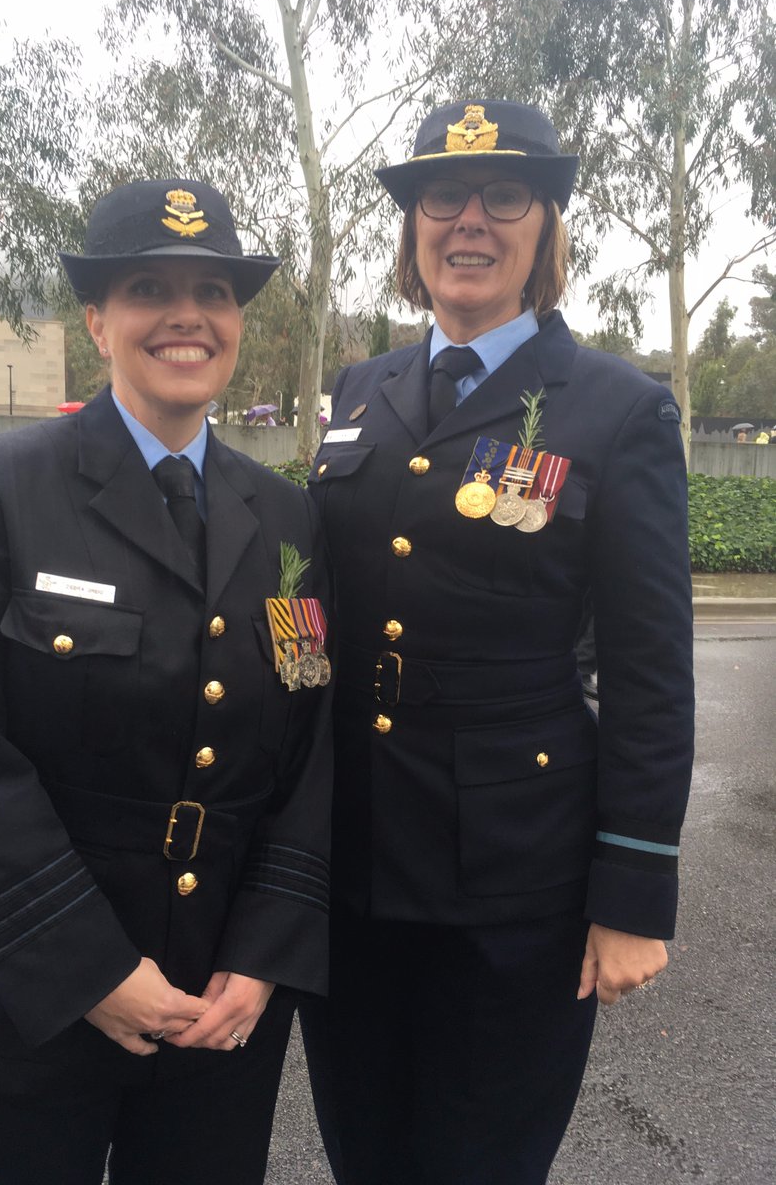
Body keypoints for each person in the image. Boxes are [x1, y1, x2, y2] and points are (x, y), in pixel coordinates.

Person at [0, 177, 333, 1185]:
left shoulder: (286, 517)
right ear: (96, 320)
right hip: (12, 1004)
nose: (186, 315)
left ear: (238, 323)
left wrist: (265, 954)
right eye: (148, 289)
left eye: (213, 293)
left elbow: (309, 749)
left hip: (212, 1015)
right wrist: (89, 968)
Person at [300, 100, 694, 1184]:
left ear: (546, 227)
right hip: (352, 871)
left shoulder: (618, 410)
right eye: (442, 195)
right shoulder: (362, 389)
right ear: (413, 225)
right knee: (364, 1154)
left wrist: (633, 891)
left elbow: (650, 670)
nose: (468, 220)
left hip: (518, 887)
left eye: (505, 196)